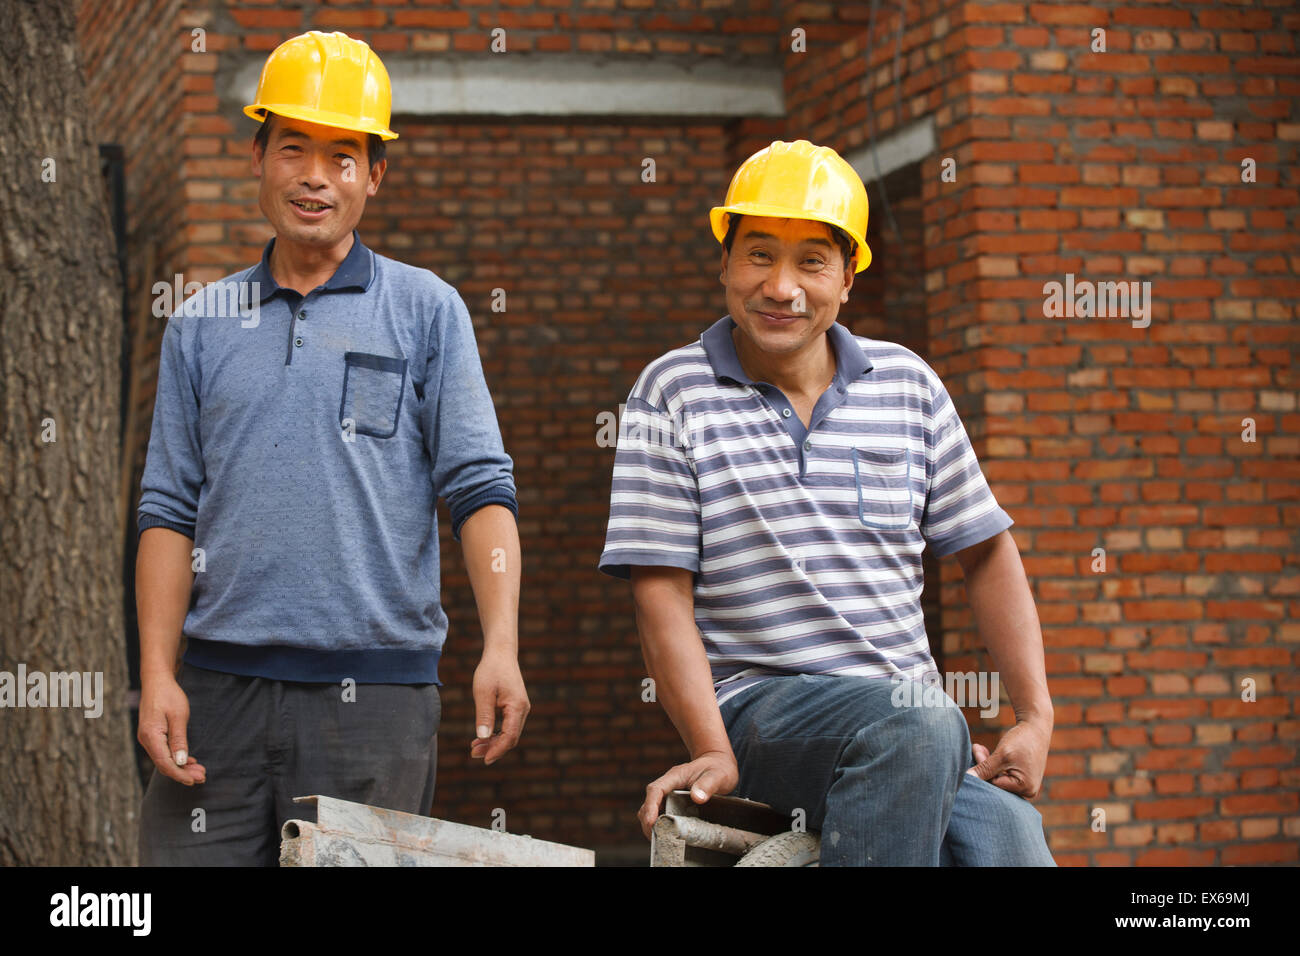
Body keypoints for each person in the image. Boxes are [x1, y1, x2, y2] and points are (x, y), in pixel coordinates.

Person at [598, 140, 1055, 865]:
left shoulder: (908, 385)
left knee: (1011, 836)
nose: (781, 287)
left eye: (811, 261)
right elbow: (660, 592)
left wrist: (1033, 716)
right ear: (724, 263)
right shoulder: (672, 393)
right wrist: (711, 747)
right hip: (761, 712)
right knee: (919, 728)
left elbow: (987, 552)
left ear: (847, 278)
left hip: (910, 721)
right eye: (758, 255)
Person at [135, 31, 527, 865]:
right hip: (215, 696)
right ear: (258, 157)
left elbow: (479, 489)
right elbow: (167, 511)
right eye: (294, 149)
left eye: (342, 157)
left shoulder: (427, 311)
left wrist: (501, 646)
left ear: (373, 175)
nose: (315, 176)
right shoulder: (199, 325)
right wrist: (160, 674)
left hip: (376, 698)